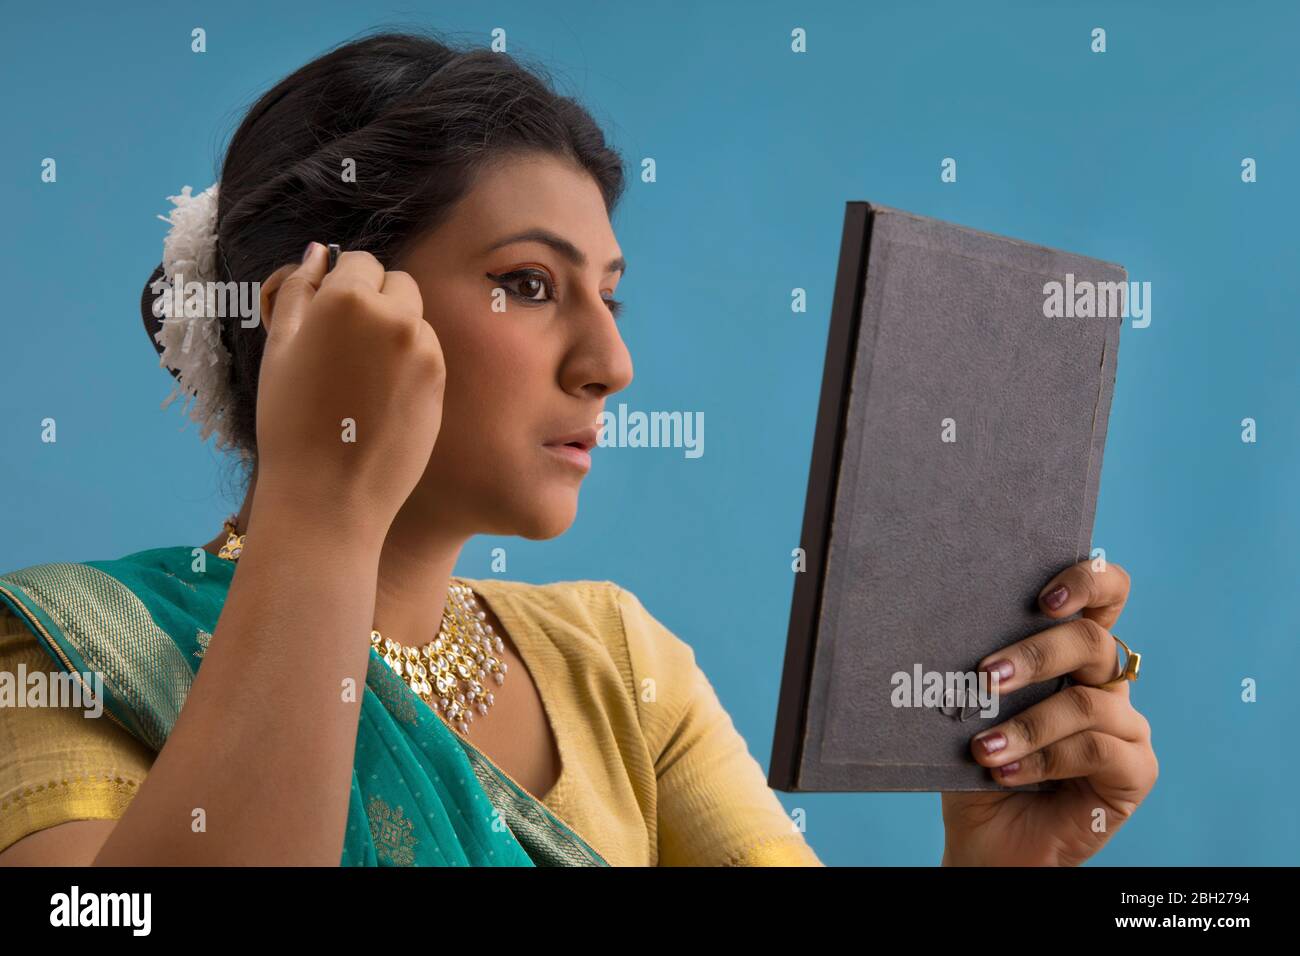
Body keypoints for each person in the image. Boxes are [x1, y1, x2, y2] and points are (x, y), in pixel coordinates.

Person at [0, 29, 1155, 867]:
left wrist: (1009, 868)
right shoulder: (61, 651)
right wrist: (323, 495)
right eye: (526, 283)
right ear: (324, 304)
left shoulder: (617, 662)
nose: (610, 361)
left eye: (609, 294)